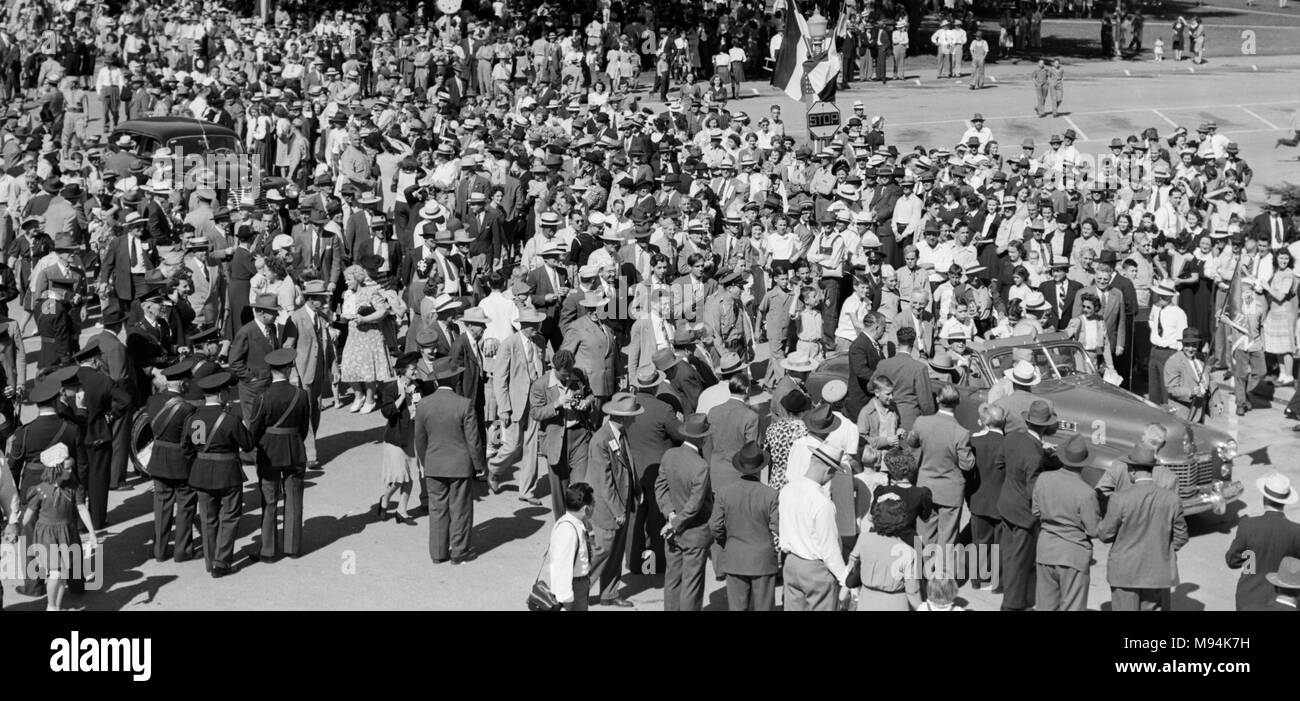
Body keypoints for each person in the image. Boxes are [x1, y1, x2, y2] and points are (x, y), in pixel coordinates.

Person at [1098, 445, 1189, 611]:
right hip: (1157, 571)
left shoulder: (1119, 499)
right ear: (1152, 470)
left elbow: (1105, 534)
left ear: (1131, 470)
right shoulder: (1171, 499)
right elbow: (1181, 536)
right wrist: (1162, 550)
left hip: (1124, 572)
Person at [414, 356, 484, 565]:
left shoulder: (424, 404)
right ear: (454, 379)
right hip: (459, 465)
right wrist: (479, 465)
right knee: (460, 509)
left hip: (434, 463)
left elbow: (420, 439)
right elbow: (473, 440)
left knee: (437, 509)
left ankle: (438, 553)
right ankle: (459, 551)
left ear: (435, 380)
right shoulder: (464, 404)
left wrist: (427, 461)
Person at [185, 371, 255, 578]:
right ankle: (222, 562)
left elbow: (186, 447)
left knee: (208, 518)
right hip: (228, 473)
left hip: (201, 473)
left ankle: (210, 561)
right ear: (221, 394)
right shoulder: (231, 419)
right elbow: (248, 444)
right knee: (230, 516)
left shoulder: (194, 419)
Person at [249, 349, 316, 562]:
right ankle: (292, 547)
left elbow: (254, 429)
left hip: (269, 451)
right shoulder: (301, 395)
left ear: (271, 371)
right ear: (288, 369)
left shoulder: (263, 396)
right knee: (294, 498)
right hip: (295, 448)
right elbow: (305, 426)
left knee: (269, 500)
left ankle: (268, 550)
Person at [581, 393, 643, 607]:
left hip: (621, 503)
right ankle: (576, 591)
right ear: (623, 417)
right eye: (632, 415)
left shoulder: (621, 433)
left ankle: (609, 593)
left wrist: (637, 490)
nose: (635, 419)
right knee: (602, 551)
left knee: (616, 551)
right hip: (607, 508)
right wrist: (618, 511)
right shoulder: (601, 440)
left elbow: (629, 464)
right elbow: (604, 482)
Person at [19, 443, 95, 611]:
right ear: (56, 468)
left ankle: (56, 607)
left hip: (67, 533)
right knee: (56, 573)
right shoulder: (40, 490)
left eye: (71, 468)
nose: (70, 471)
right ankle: (51, 606)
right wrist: (17, 531)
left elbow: (82, 508)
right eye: (67, 468)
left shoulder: (75, 488)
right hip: (48, 536)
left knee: (63, 574)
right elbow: (28, 516)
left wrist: (92, 532)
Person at [998, 398, 1057, 611]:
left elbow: (1000, 463)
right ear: (1044, 426)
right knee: (1020, 561)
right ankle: (1012, 604)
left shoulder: (1013, 438)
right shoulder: (1035, 454)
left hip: (1006, 503)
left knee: (1009, 554)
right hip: (1023, 513)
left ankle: (1008, 591)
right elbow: (1034, 491)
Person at [1031, 435, 1102, 611]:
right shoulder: (1086, 493)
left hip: (1046, 550)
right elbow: (1093, 530)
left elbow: (1036, 511)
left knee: (1045, 606)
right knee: (1072, 606)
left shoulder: (1044, 479)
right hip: (1073, 554)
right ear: (1084, 463)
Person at [780, 443, 851, 612]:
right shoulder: (822, 503)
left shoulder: (787, 490)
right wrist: (845, 579)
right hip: (815, 570)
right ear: (828, 470)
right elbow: (830, 549)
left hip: (791, 562)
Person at [709, 441, 779, 611]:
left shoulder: (724, 492)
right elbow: (777, 527)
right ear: (760, 468)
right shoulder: (771, 494)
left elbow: (714, 525)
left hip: (735, 557)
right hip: (762, 560)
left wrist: (727, 540)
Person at [909, 384, 974, 561]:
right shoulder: (961, 433)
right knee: (947, 539)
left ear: (938, 399)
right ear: (958, 402)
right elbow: (967, 465)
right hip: (950, 491)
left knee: (924, 536)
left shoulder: (921, 422)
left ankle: (924, 573)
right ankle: (942, 577)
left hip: (926, 486)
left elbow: (912, 442)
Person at [654, 413, 712, 612]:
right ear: (702, 437)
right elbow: (694, 505)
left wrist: (669, 514)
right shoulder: (701, 466)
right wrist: (675, 521)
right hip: (694, 532)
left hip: (672, 532)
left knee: (672, 580)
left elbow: (660, 488)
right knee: (691, 585)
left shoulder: (669, 455)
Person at [145, 359, 199, 563]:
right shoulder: (189, 409)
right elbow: (198, 440)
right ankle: (182, 550)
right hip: (182, 462)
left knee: (161, 506)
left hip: (158, 458)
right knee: (185, 505)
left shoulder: (153, 401)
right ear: (183, 383)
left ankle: (159, 550)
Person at [1224, 473, 1300, 610]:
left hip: (1249, 598)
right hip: (1281, 601)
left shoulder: (1248, 525)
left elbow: (1232, 560)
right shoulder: (1296, 532)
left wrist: (1252, 561)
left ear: (1264, 498)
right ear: (1284, 502)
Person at [848, 493, 923, 611]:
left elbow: (852, 565)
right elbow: (912, 592)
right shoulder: (908, 552)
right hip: (896, 603)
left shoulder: (864, 539)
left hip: (866, 601)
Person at [376, 352, 422, 526]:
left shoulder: (418, 386)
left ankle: (402, 511)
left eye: (416, 368)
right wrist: (402, 396)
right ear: (402, 371)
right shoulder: (391, 388)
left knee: (409, 476)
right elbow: (387, 412)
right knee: (399, 477)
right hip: (395, 438)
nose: (415, 372)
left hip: (412, 436)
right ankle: (385, 497)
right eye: (412, 369)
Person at [968, 403, 1006, 590]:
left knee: (979, 541)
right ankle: (996, 580)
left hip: (979, 499)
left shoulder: (975, 442)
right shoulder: (1007, 444)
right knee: (999, 543)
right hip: (1000, 501)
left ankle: (976, 579)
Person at [873, 326, 936, 430]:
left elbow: (871, 387)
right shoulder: (919, 368)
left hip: (883, 418)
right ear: (913, 342)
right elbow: (926, 404)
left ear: (898, 341)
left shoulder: (883, 364)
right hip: (908, 420)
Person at [548, 482, 594, 611]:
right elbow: (562, 565)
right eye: (593, 504)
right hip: (573, 589)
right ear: (586, 509)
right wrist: (564, 601)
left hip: (579, 585)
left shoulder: (575, 523)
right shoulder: (567, 530)